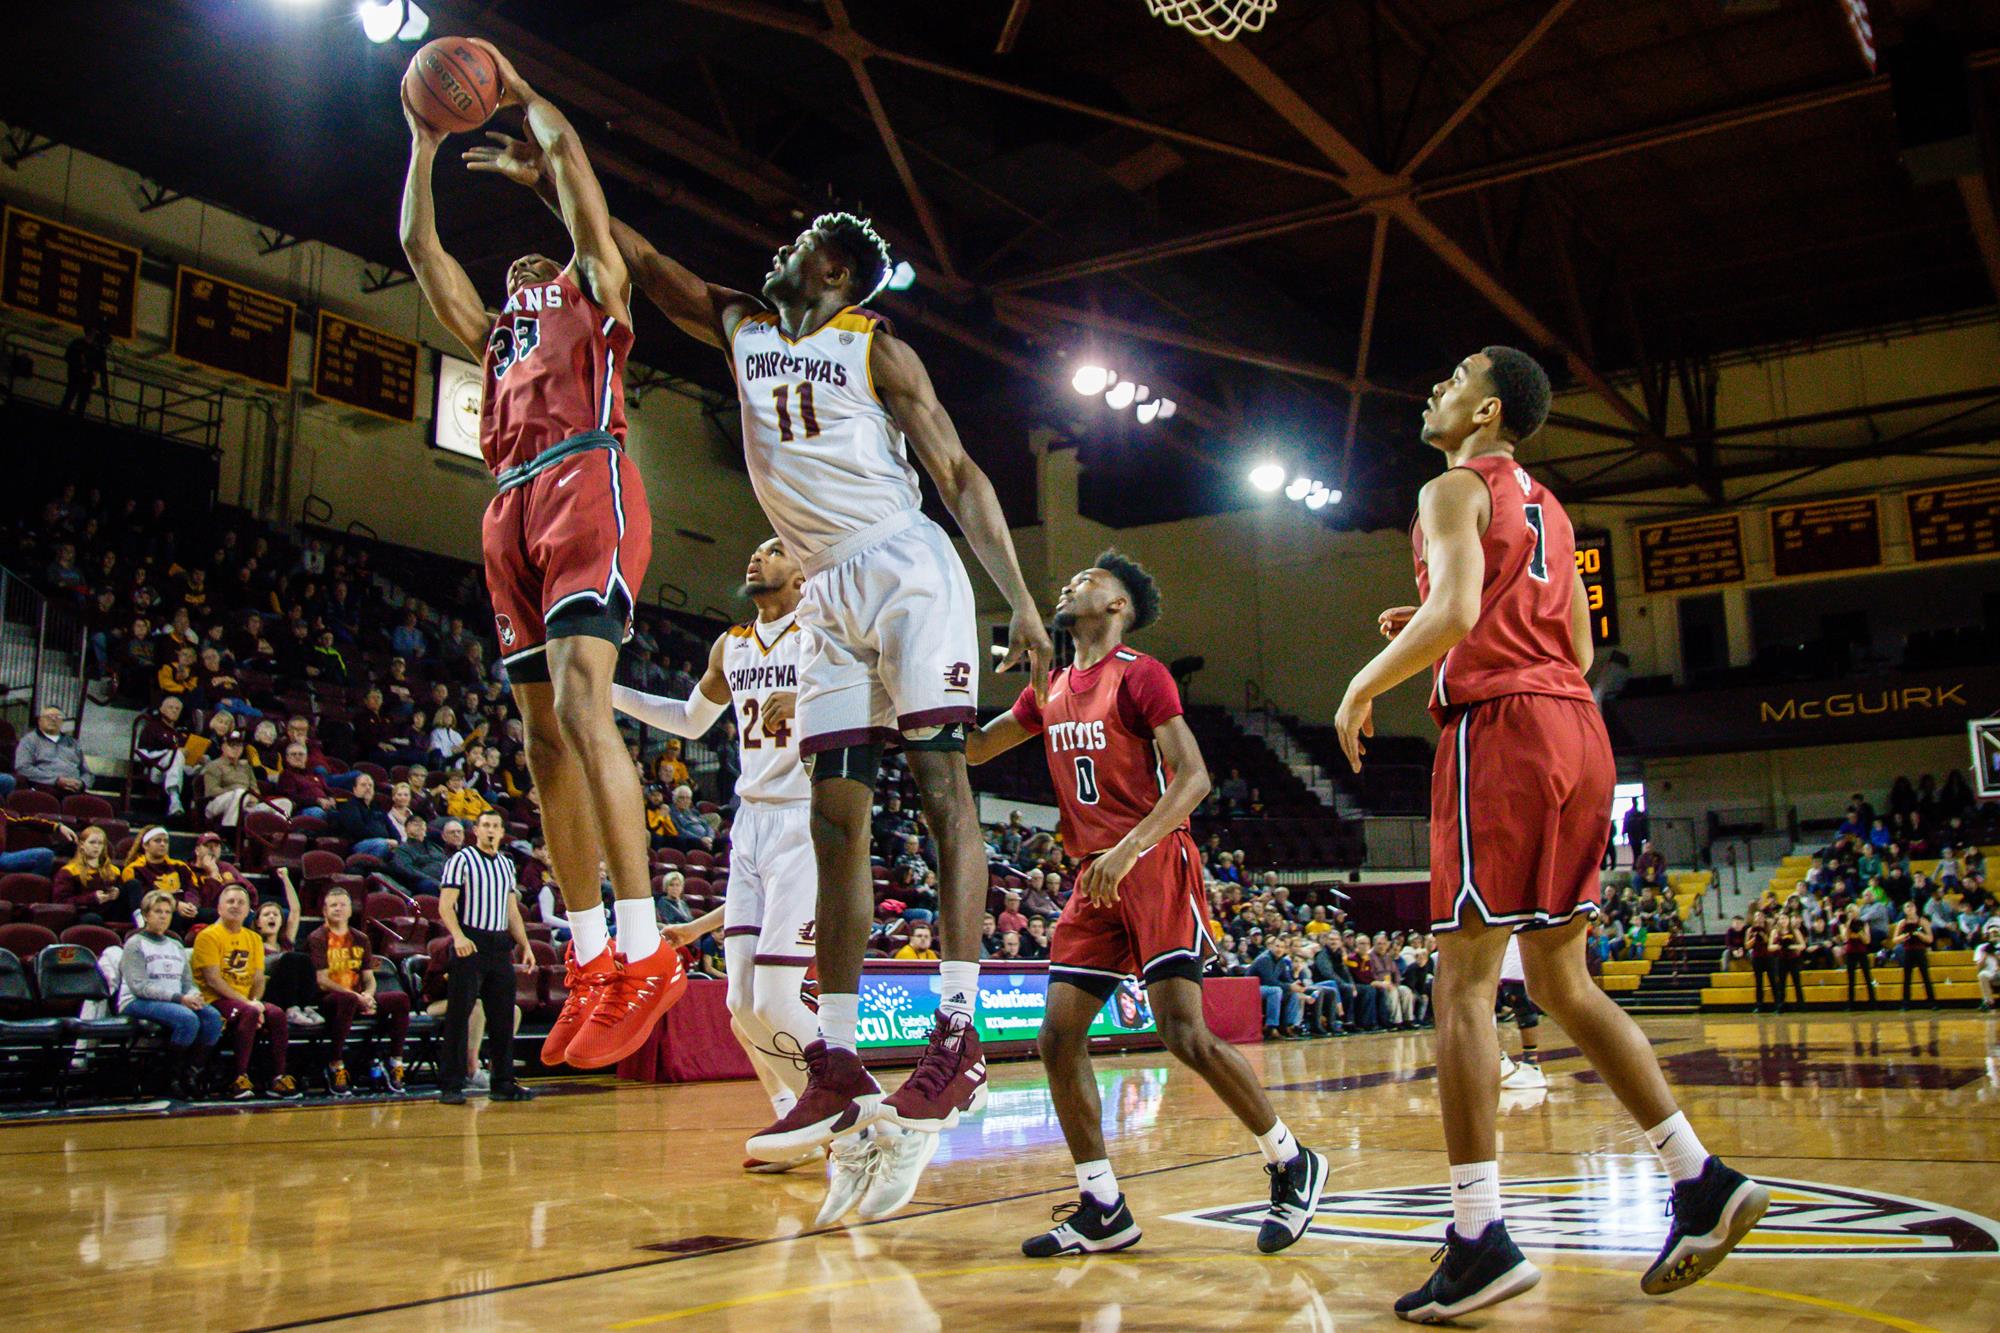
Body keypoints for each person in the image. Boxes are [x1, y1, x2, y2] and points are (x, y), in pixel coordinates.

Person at [467, 123, 1053, 1164]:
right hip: (823, 586)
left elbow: (959, 474)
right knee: (837, 821)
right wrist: (555, 183)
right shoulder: (742, 326)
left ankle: (955, 1034)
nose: (773, 253)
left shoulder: (878, 347)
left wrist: (1019, 601)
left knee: (939, 789)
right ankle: (831, 1057)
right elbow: (638, 260)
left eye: (795, 248)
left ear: (831, 269)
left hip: (906, 565)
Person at [1337, 347, 1763, 1319]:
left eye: (1449, 378)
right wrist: (1465, 622)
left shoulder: (1451, 485)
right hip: (1579, 736)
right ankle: (1698, 1177)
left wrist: (1366, 679)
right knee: (1562, 979)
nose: (1432, 387)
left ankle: (1477, 1235)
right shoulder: (1551, 508)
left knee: (1464, 983)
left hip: (1501, 736)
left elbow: (1451, 609)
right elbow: (1569, 644)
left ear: (1484, 412)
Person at [404, 44, 682, 1081]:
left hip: (585, 481)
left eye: (540, 258)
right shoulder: (489, 339)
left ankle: (649, 949)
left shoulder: (593, 294)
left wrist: (522, 99)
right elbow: (416, 245)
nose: (525, 268)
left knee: (578, 704)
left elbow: (576, 183)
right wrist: (423, 143)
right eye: (516, 265)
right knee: (537, 738)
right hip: (506, 508)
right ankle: (591, 954)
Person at [966, 552, 1324, 1258]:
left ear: (1119, 607)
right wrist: (914, 695)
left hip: (1152, 859)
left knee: (1183, 1033)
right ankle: (1103, 1204)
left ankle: (1291, 1160)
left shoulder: (1140, 672)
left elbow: (1194, 778)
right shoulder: (1050, 684)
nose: (1071, 581)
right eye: (1069, 577)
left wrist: (1128, 850)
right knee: (1057, 1037)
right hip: (1091, 876)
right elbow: (976, 749)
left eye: (1091, 581)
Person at [612, 536, 841, 1176]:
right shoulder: (732, 643)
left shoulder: (823, 630)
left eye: (773, 549)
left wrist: (812, 705)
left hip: (806, 818)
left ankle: (854, 1104)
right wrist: (607, 692)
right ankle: (805, 1114)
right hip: (750, 822)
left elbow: (876, 701)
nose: (757, 554)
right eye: (756, 548)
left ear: (802, 571)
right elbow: (689, 721)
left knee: (772, 999)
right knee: (740, 1004)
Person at [436, 811, 537, 1105]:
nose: (491, 830)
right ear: (476, 831)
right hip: (471, 940)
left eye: (495, 826)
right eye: (486, 826)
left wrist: (525, 946)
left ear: (502, 831)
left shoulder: (506, 865)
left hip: (500, 944)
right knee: (460, 1013)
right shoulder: (462, 860)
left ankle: (503, 1081)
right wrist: (458, 936)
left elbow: (512, 911)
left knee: (503, 1015)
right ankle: (451, 1084)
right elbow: (445, 906)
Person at [191, 884, 297, 1100]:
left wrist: (256, 1001)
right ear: (219, 907)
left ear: (249, 909)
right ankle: (238, 1077)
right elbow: (213, 980)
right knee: (248, 1012)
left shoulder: (254, 938)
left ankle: (278, 1076)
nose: (235, 906)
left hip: (245, 1002)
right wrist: (249, 1004)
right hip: (215, 1000)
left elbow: (258, 979)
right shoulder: (207, 936)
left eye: (241, 902)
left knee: (276, 1014)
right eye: (230, 901)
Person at [307, 886, 412, 1095]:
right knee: (347, 1000)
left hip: (358, 999)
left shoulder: (361, 938)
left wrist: (368, 995)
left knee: (400, 999)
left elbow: (368, 977)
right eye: (333, 905)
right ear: (325, 911)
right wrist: (356, 997)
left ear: (350, 910)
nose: (338, 909)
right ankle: (336, 1063)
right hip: (330, 1000)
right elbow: (322, 981)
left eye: (342, 905)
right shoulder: (317, 938)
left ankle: (395, 1062)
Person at [119, 890, 223, 1098]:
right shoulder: (135, 943)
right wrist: (179, 999)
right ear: (146, 915)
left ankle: (192, 1071)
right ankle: (172, 1075)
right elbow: (140, 986)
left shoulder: (175, 945)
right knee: (187, 1019)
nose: (163, 916)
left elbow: (187, 983)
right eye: (158, 911)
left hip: (177, 1000)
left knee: (212, 1017)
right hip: (137, 1001)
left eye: (167, 912)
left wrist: (194, 995)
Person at [1495, 933, 1546, 1090]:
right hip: (1495, 929)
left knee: (1517, 993)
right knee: (1481, 992)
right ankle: (1496, 1056)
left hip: (1520, 928)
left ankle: (1531, 1064)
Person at [53, 826, 121, 925]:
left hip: (110, 911)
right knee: (93, 919)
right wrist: (92, 898)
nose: (96, 846)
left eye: (100, 843)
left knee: (131, 885)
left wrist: (117, 892)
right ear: (82, 845)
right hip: (83, 914)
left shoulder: (114, 871)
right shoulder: (69, 871)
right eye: (92, 842)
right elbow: (61, 902)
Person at [16, 705, 86, 795]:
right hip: (45, 787)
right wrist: (56, 780)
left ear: (62, 722)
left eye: (58, 717)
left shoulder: (73, 743)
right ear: (40, 721)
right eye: (48, 717)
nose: (53, 719)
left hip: (75, 789)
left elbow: (87, 772)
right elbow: (22, 768)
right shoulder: (29, 740)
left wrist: (82, 783)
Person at [1892, 900, 1937, 1009]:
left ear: (1915, 908)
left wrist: (1920, 934)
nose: (1910, 909)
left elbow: (1930, 939)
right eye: (1907, 907)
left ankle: (1932, 1002)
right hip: (1908, 951)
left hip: (1920, 951)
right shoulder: (1902, 923)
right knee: (1907, 978)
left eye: (1912, 906)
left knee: (1925, 976)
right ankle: (1905, 1003)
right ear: (1904, 910)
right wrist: (1904, 937)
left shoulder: (1922, 921)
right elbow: (1894, 939)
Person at [1841, 906, 1877, 1007]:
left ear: (1857, 912)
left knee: (1867, 976)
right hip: (1850, 952)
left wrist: (1859, 932)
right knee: (1851, 979)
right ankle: (1851, 1004)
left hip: (1861, 951)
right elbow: (1845, 938)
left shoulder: (1863, 923)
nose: (1851, 913)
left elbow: (1867, 940)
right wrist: (1849, 924)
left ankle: (1873, 1002)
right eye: (1849, 912)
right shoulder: (1845, 923)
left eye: (1852, 911)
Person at [1976, 921, 2000, 1012]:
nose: (1993, 935)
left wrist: (1996, 956)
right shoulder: (1981, 948)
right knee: (1982, 975)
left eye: (1996, 933)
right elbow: (1978, 968)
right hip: (1991, 973)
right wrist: (1985, 955)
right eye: (1991, 933)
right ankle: (1988, 1002)